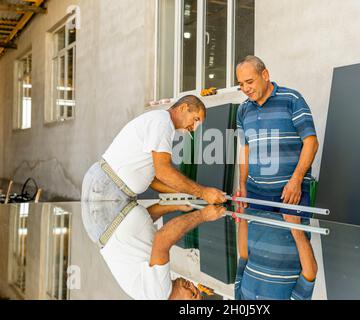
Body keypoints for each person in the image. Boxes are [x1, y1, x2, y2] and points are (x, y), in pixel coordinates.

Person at [82, 95, 226, 205]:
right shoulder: (163, 123)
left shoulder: (160, 121)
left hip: (110, 187)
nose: (194, 128)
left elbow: (153, 179)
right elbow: (164, 172)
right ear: (183, 107)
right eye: (195, 119)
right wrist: (203, 193)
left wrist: (186, 194)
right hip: (108, 188)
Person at [81, 200, 226, 300]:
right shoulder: (156, 291)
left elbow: (162, 238)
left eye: (192, 295)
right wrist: (175, 205)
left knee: (160, 161)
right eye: (197, 291)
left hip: (106, 211)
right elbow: (144, 224)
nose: (193, 287)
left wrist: (204, 215)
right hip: (107, 215)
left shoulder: (159, 293)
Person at [235, 56, 319, 217]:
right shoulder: (243, 110)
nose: (245, 88)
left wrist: (296, 181)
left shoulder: (292, 99)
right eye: (241, 84)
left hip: (291, 193)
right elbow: (245, 149)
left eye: (249, 81)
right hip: (256, 195)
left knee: (293, 240)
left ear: (265, 75)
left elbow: (311, 143)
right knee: (258, 240)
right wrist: (242, 185)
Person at [235, 211, 318, 300]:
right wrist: (296, 227)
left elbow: (244, 256)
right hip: (290, 215)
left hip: (256, 211)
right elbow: (310, 273)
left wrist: (243, 213)